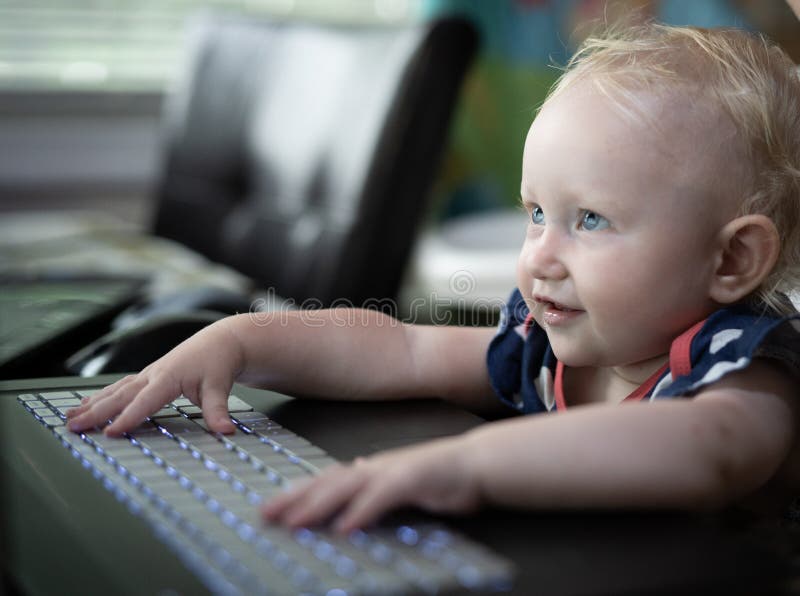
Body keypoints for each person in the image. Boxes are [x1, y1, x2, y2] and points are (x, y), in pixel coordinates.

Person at [67, 22, 800, 534]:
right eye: (537, 212)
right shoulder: (550, 347)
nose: (541, 254)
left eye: (591, 221)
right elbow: (403, 349)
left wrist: (471, 466)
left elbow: (702, 451)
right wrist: (241, 340)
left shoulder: (743, 376)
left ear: (732, 261)